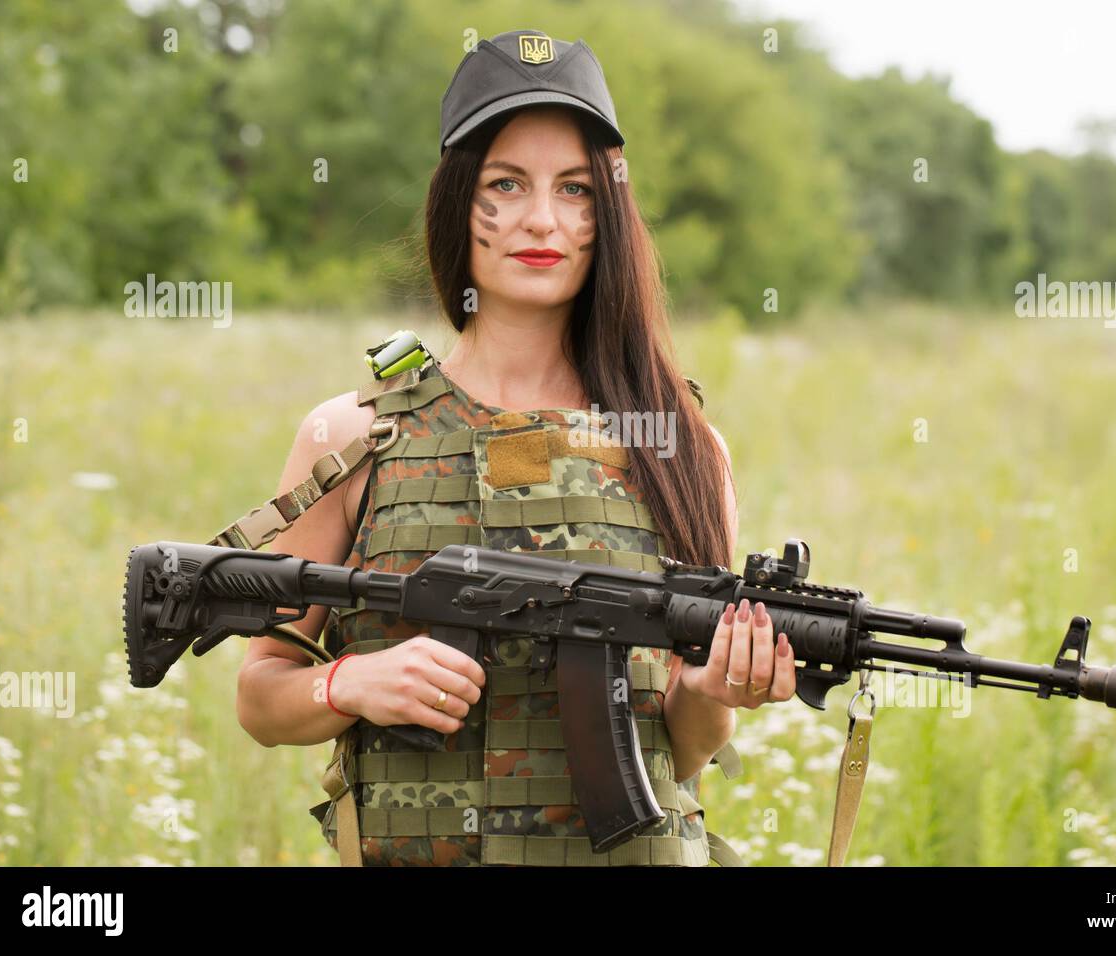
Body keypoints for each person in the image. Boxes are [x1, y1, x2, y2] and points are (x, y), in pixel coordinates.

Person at [234, 28, 796, 866]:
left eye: (575, 190)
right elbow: (261, 694)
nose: (542, 220)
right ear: (459, 204)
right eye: (506, 184)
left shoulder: (681, 448)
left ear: (607, 215)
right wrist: (347, 683)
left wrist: (716, 693)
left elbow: (680, 752)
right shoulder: (354, 435)